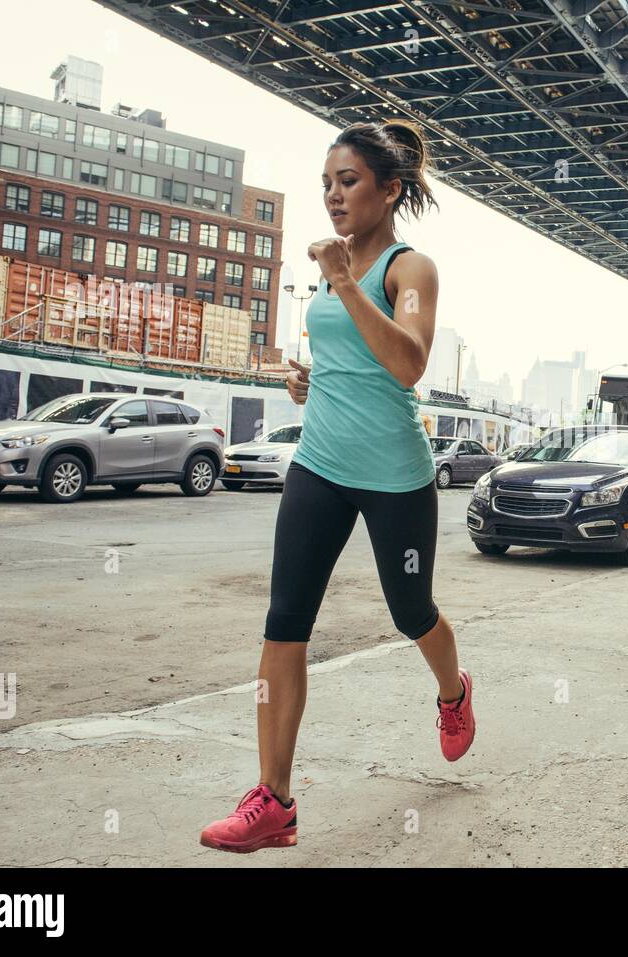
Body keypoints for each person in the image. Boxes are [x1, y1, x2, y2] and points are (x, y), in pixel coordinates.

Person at [201, 120, 473, 854]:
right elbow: (351, 358)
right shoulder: (332, 266)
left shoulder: (408, 270)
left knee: (410, 610)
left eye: (347, 181)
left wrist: (348, 280)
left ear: (389, 189)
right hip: (319, 464)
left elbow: (409, 362)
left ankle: (453, 693)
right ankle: (273, 801)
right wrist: (307, 379)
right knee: (284, 619)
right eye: (326, 182)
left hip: (395, 479)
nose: (333, 195)